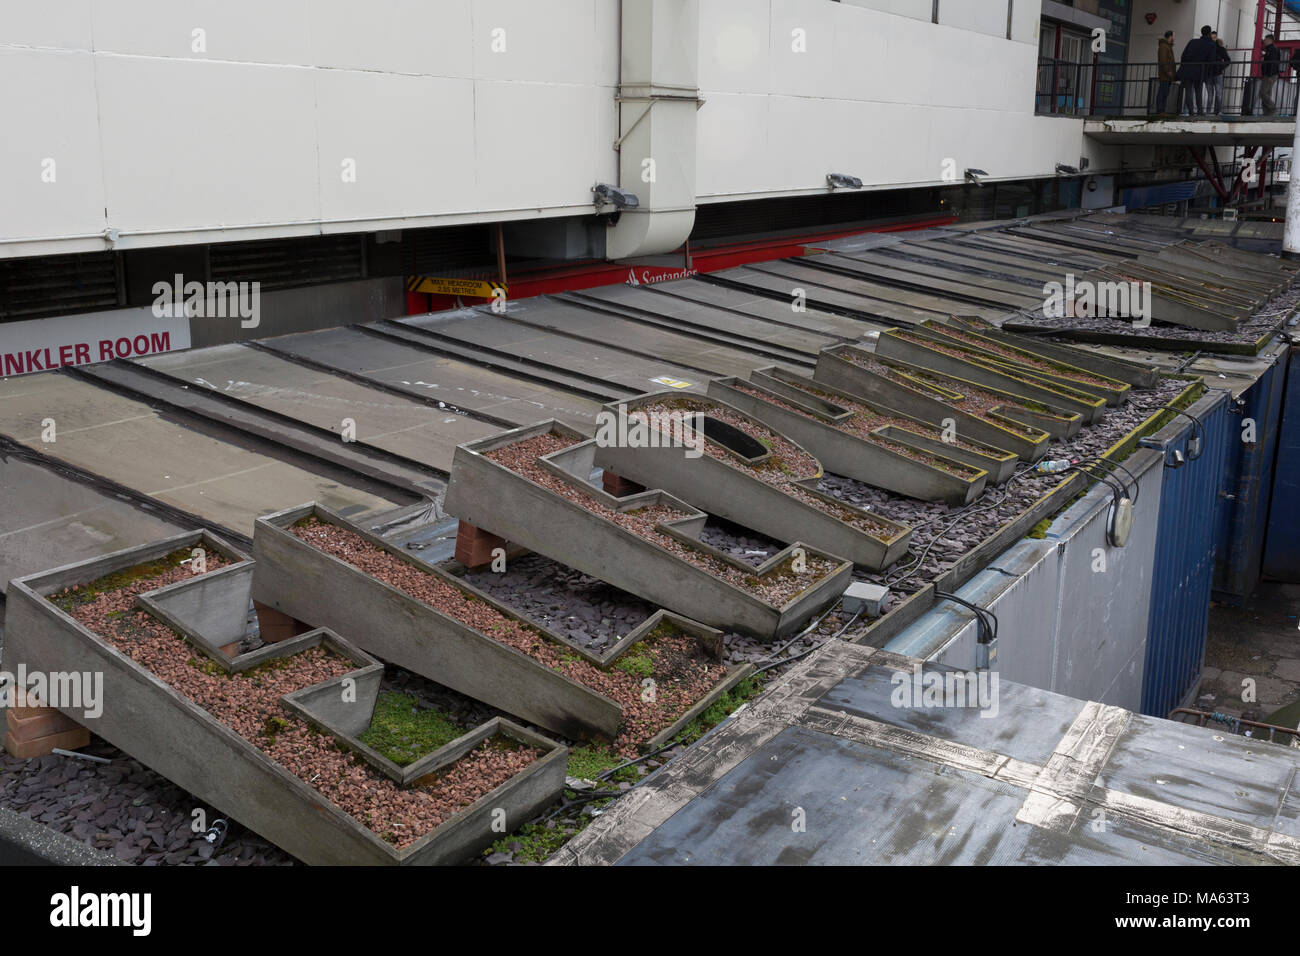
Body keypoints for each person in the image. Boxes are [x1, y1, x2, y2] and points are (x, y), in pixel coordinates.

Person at [1177, 25, 1218, 116]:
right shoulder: (1211, 45)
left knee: (1188, 91)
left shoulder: (1192, 42)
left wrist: (1184, 66)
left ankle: (1191, 111)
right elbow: (1211, 61)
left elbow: (1183, 56)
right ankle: (1200, 111)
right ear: (1209, 33)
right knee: (1198, 91)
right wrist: (1207, 72)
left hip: (1187, 69)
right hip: (1200, 70)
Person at [1207, 33, 1231, 115]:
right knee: (1218, 94)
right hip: (1217, 73)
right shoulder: (1221, 49)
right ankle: (1218, 111)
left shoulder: (1209, 48)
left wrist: (1221, 67)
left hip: (1210, 73)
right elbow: (1228, 60)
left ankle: (1209, 112)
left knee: (1212, 94)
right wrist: (1221, 67)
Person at [1157, 30, 1177, 114]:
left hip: (1167, 74)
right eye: (1174, 36)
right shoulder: (1164, 47)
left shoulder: (1167, 46)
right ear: (1170, 36)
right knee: (1163, 92)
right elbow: (1163, 59)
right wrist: (1168, 71)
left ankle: (1162, 110)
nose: (1174, 38)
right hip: (1165, 74)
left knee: (1165, 93)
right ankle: (1160, 110)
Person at [1261, 33, 1281, 115]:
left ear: (1270, 40)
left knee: (1263, 93)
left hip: (1270, 74)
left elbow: (1272, 63)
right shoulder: (1272, 49)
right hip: (1271, 74)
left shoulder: (1272, 49)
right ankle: (1268, 113)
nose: (1264, 41)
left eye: (1265, 39)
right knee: (1267, 93)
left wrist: (1269, 75)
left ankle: (1273, 109)